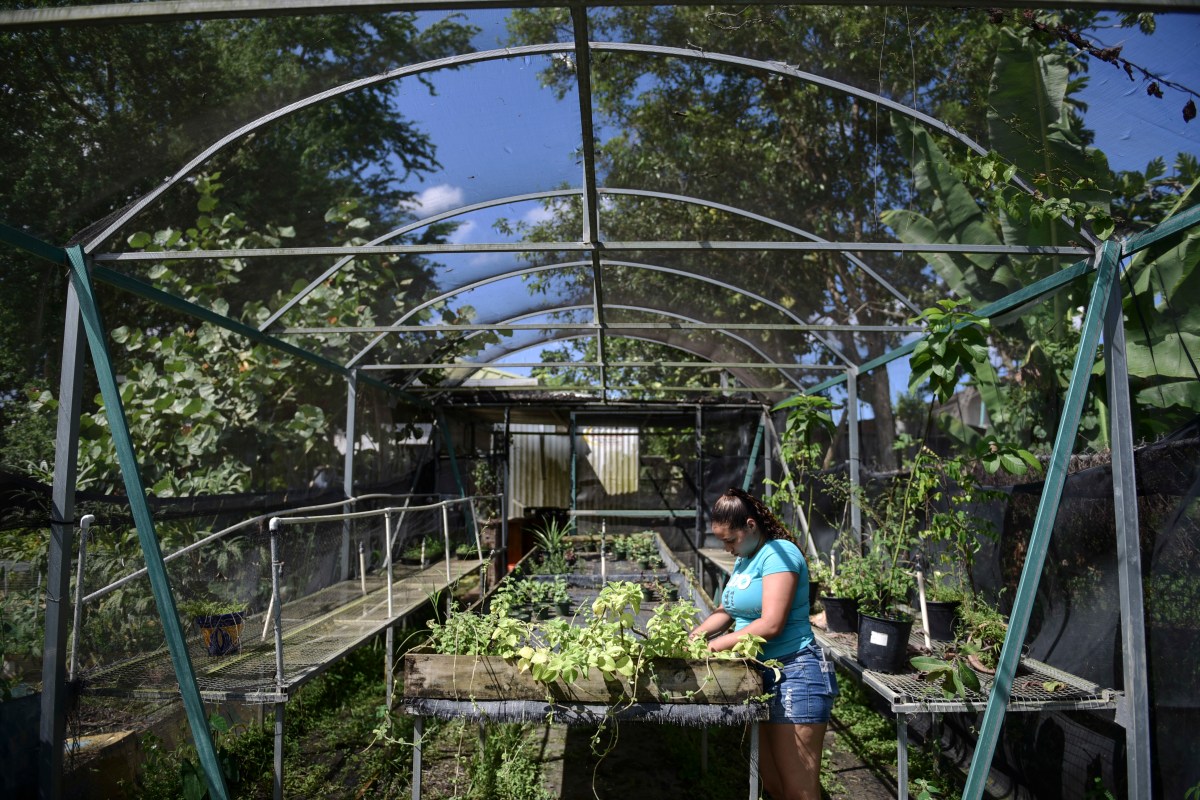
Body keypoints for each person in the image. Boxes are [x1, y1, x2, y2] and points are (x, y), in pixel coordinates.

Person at [690, 487, 836, 800]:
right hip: (761, 674)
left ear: (752, 526)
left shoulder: (780, 553)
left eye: (730, 539)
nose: (727, 548)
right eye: (722, 541)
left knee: (798, 791)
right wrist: (696, 635)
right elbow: (728, 609)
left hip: (795, 673)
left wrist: (716, 646)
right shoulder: (745, 558)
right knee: (772, 783)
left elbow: (771, 623)